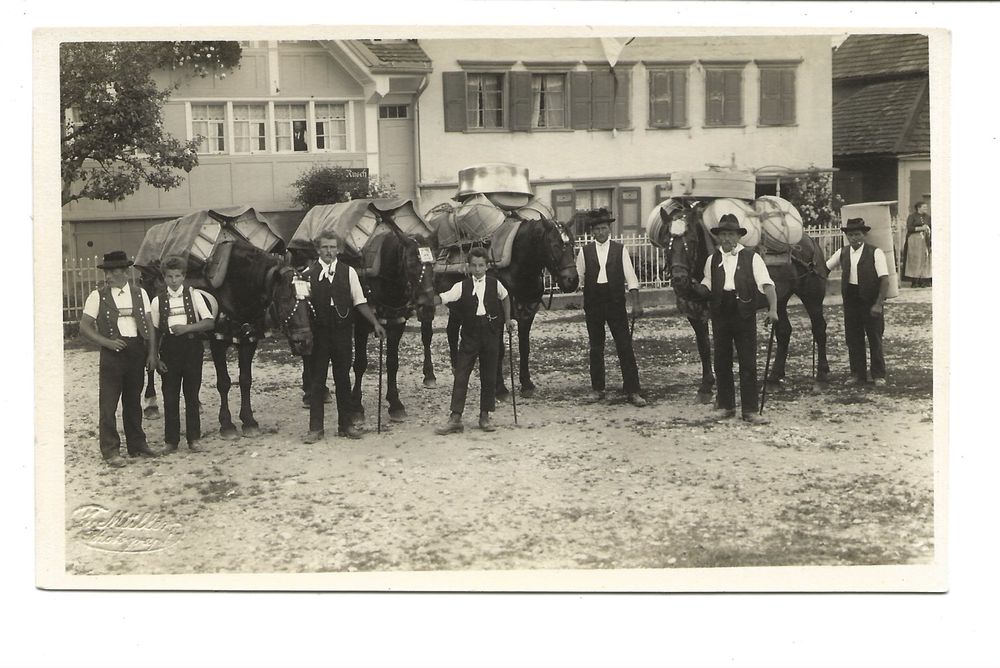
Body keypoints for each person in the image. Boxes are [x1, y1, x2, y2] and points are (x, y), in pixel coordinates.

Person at [303, 230, 385, 443]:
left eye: (332, 247)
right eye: (325, 247)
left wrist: (375, 323)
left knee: (343, 379)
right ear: (318, 249)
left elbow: (360, 301)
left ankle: (346, 425)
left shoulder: (349, 272)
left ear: (338, 249)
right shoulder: (307, 275)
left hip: (342, 333)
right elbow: (301, 307)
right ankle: (315, 428)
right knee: (317, 380)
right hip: (319, 334)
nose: (329, 251)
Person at [78, 250, 159, 467]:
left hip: (136, 352)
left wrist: (152, 353)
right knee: (108, 404)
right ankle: (110, 450)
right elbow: (84, 327)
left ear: (124, 272)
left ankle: (137, 445)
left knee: (133, 402)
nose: (108, 277)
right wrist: (107, 342)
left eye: (112, 272)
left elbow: (149, 324)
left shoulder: (140, 294)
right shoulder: (97, 296)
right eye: (106, 272)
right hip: (112, 355)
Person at [697, 214, 779, 425]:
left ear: (738, 236)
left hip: (743, 312)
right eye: (723, 234)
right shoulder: (712, 259)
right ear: (718, 237)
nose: (727, 238)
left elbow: (767, 284)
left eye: (731, 234)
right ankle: (726, 406)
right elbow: (708, 282)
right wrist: (696, 290)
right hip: (720, 312)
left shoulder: (752, 258)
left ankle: (750, 410)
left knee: (747, 361)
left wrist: (773, 309)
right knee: (721, 361)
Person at [434, 247, 514, 435]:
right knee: (461, 374)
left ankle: (485, 415)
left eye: (481, 265)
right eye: (474, 266)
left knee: (489, 375)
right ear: (468, 267)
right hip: (470, 335)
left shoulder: (495, 284)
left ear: (486, 267)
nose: (477, 269)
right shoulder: (461, 286)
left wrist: (508, 319)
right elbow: (444, 297)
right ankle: (455, 418)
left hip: (491, 334)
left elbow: (505, 297)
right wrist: (427, 299)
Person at [574, 208, 647, 407]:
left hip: (615, 302)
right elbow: (578, 278)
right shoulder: (584, 252)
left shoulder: (619, 249)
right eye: (597, 229)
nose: (601, 232)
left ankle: (632, 390)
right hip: (594, 304)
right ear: (592, 231)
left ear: (609, 229)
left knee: (624, 345)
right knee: (596, 347)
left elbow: (631, 277)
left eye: (604, 228)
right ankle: (598, 389)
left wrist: (636, 303)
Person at [149, 256, 215, 454]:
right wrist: (155, 356)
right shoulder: (157, 301)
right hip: (169, 350)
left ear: (184, 276)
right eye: (170, 277)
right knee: (170, 395)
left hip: (192, 347)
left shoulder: (194, 296)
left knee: (192, 395)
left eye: (177, 276)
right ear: (164, 278)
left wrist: (187, 328)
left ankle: (194, 438)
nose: (174, 280)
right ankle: (171, 441)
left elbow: (209, 322)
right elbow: (154, 331)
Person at [825, 217, 890, 387]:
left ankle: (878, 374)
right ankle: (857, 374)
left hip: (870, 300)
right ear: (847, 236)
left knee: (875, 338)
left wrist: (878, 304)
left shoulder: (875, 252)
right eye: (851, 235)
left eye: (857, 234)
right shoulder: (842, 252)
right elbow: (825, 268)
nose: (854, 238)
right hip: (851, 300)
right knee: (853, 338)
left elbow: (885, 280)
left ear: (864, 235)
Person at [902, 202, 932, 288]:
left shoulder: (928, 217)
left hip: (925, 240)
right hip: (914, 240)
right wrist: (921, 228)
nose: (926, 209)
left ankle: (923, 280)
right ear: (919, 208)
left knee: (924, 259)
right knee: (914, 259)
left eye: (926, 207)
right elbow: (909, 228)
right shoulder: (912, 216)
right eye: (924, 207)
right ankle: (914, 281)